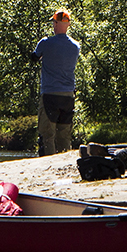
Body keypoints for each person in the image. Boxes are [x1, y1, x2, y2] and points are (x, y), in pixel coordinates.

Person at [30, 9, 81, 156]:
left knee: (47, 135)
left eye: (54, 22)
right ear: (68, 24)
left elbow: (34, 57)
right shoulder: (75, 46)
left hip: (50, 94)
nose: (53, 25)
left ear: (57, 23)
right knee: (64, 135)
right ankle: (64, 164)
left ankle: (47, 165)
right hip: (68, 95)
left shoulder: (45, 43)